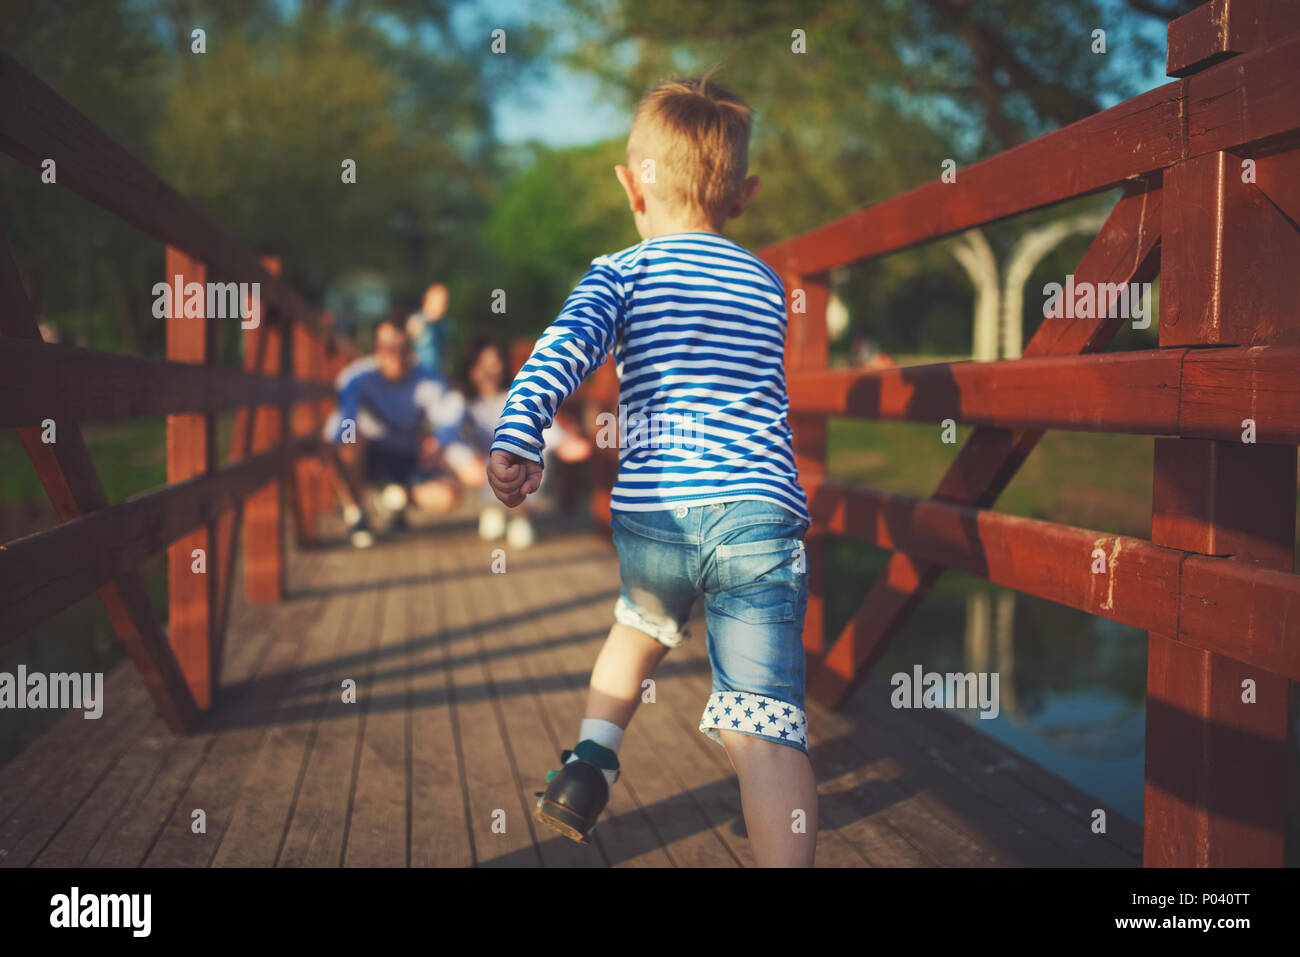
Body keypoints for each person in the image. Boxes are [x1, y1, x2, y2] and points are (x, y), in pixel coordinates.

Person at [486, 76, 816, 866]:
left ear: (631, 185)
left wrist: (519, 432)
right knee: (762, 726)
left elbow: (562, 349)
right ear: (744, 197)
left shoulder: (622, 271)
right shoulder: (767, 284)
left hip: (657, 516)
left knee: (640, 624)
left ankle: (590, 763)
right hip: (758, 514)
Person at [332, 317, 482, 548]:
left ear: (410, 349)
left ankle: (396, 498)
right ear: (376, 349)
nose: (395, 354)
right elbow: (345, 420)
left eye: (401, 348)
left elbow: (448, 414)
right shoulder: (356, 377)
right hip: (372, 457)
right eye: (387, 347)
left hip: (410, 458)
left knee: (449, 495)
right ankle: (357, 515)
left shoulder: (428, 378)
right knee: (349, 438)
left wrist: (438, 441)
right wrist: (334, 442)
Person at [456, 336, 591, 548]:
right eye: (484, 365)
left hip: (518, 472)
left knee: (530, 454)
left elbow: (539, 424)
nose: (493, 371)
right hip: (484, 474)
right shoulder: (462, 403)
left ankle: (520, 515)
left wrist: (565, 440)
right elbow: (453, 438)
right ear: (471, 369)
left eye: (496, 363)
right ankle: (495, 508)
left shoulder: (515, 397)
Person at [405, 282, 452, 377]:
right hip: (418, 378)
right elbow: (405, 352)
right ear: (427, 300)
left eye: (445, 301)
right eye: (439, 301)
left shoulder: (444, 325)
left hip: (437, 377)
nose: (443, 306)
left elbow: (444, 356)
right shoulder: (416, 322)